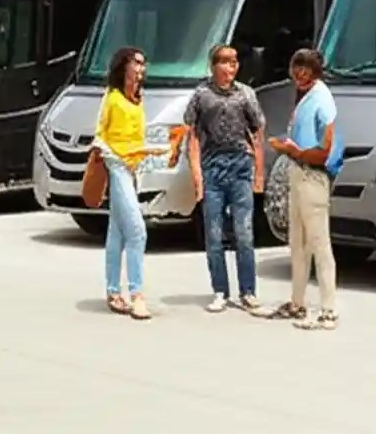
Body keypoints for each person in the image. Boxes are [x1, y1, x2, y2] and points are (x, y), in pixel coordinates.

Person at [262, 48, 343, 331]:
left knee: (320, 244)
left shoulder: (322, 100)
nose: (299, 77)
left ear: (315, 73)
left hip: (313, 176)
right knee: (297, 242)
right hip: (299, 174)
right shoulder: (305, 98)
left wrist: (290, 150)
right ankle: (297, 303)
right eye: (296, 71)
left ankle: (328, 310)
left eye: (305, 72)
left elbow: (325, 151)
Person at [183, 44, 267, 314]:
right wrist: (197, 176)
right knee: (214, 233)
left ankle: (248, 291)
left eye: (234, 62)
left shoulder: (246, 95)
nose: (231, 67)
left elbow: (257, 133)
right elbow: (192, 135)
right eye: (226, 62)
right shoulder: (201, 95)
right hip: (213, 166)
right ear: (214, 65)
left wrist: (259, 174)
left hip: (241, 164)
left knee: (244, 232)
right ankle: (220, 289)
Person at [92, 46, 168, 320]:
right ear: (123, 65)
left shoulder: (137, 99)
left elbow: (135, 137)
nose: (141, 69)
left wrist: (150, 150)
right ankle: (137, 295)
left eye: (143, 64)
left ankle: (113, 290)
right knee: (137, 231)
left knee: (118, 231)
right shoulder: (112, 98)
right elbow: (100, 135)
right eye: (137, 63)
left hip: (134, 167)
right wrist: (112, 156)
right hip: (117, 166)